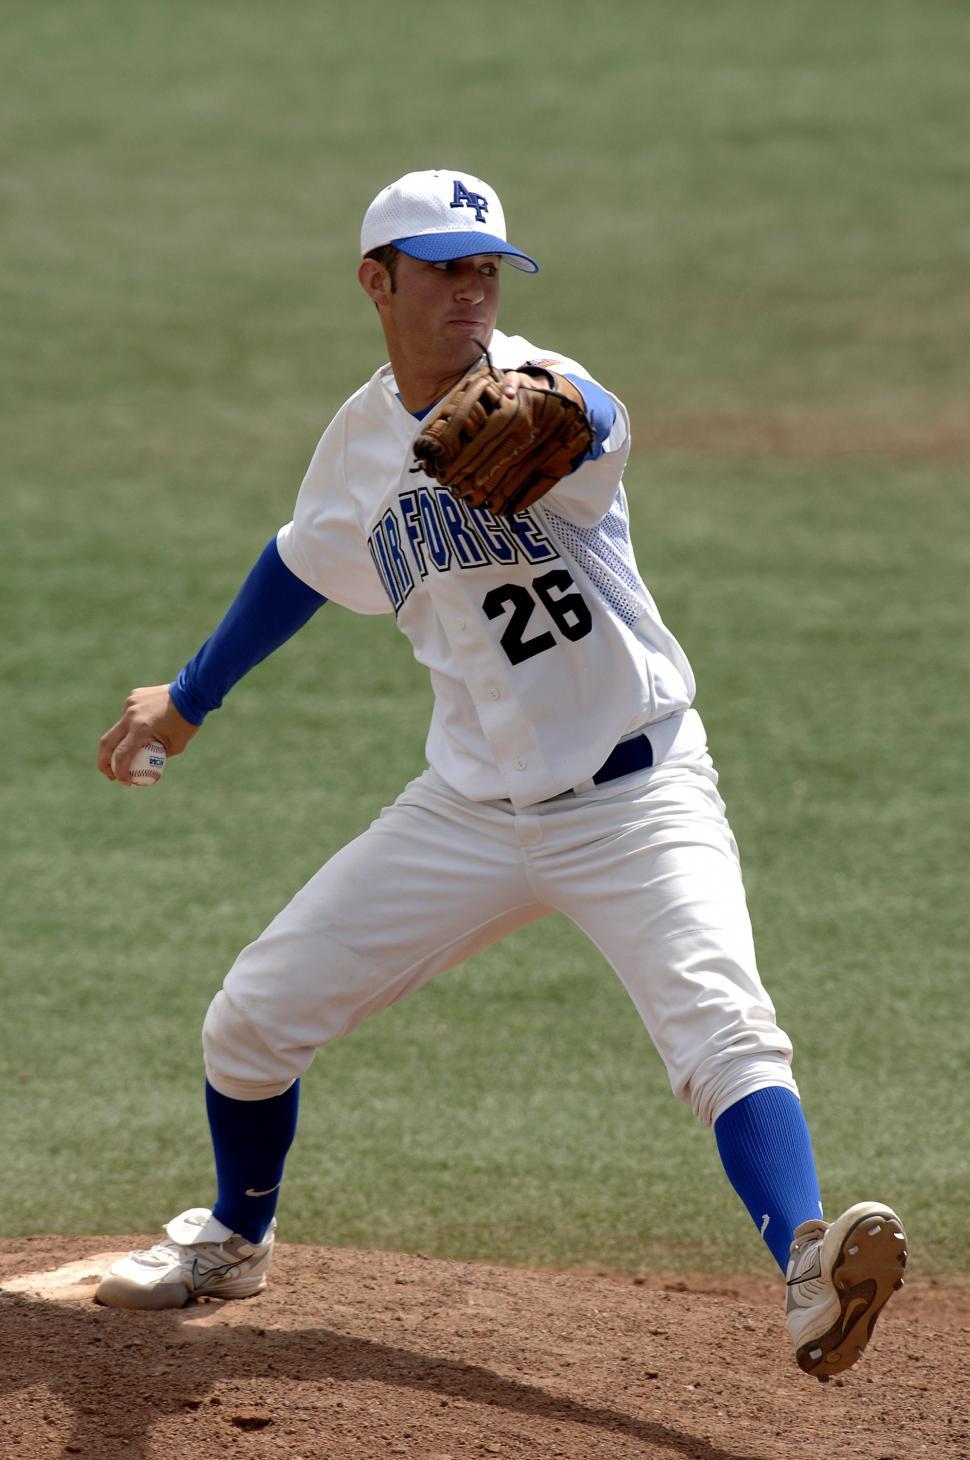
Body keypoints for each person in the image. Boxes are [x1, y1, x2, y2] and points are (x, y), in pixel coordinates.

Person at [96, 168, 906, 1380]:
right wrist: (189, 696)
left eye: (485, 269)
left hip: (637, 798)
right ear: (376, 281)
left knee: (725, 1032)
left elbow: (598, 415)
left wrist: (567, 396)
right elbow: (301, 562)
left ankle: (807, 1264)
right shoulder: (360, 439)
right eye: (442, 268)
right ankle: (233, 1236)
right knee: (252, 1019)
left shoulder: (539, 395)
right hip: (467, 810)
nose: (470, 289)